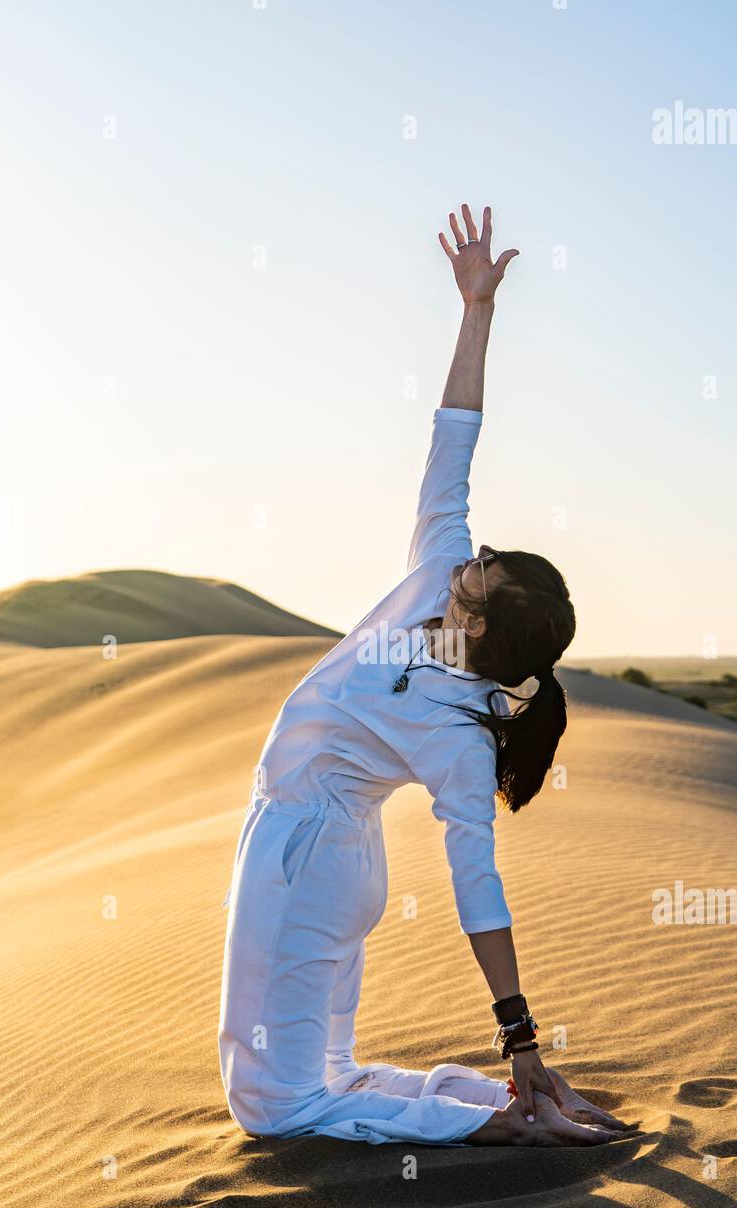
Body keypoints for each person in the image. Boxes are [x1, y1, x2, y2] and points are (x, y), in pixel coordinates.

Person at [218, 203, 634, 1147]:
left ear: (479, 624)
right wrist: (477, 307)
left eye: (475, 577)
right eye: (477, 555)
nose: (462, 559)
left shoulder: (459, 732)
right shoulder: (436, 574)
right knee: (329, 1070)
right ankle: (498, 1103)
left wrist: (519, 1032)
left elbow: (477, 885)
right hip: (332, 849)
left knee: (274, 1104)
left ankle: (508, 1128)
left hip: (306, 852)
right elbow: (455, 434)